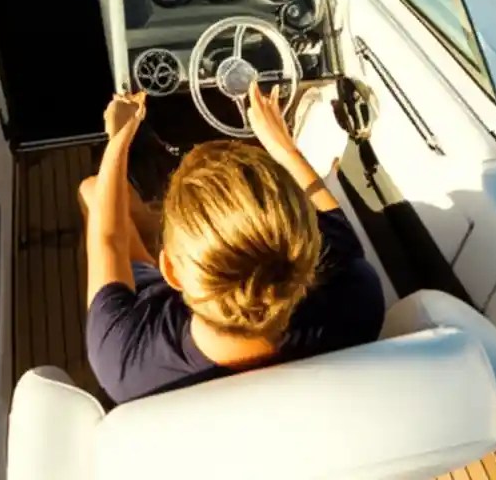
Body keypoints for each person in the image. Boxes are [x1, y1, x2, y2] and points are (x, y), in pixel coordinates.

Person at [80, 83, 385, 403]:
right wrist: (284, 148)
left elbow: (110, 240)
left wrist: (119, 138)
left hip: (179, 288)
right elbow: (334, 221)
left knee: (91, 190)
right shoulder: (357, 300)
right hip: (202, 281)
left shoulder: (124, 360)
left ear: (169, 269)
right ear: (309, 248)